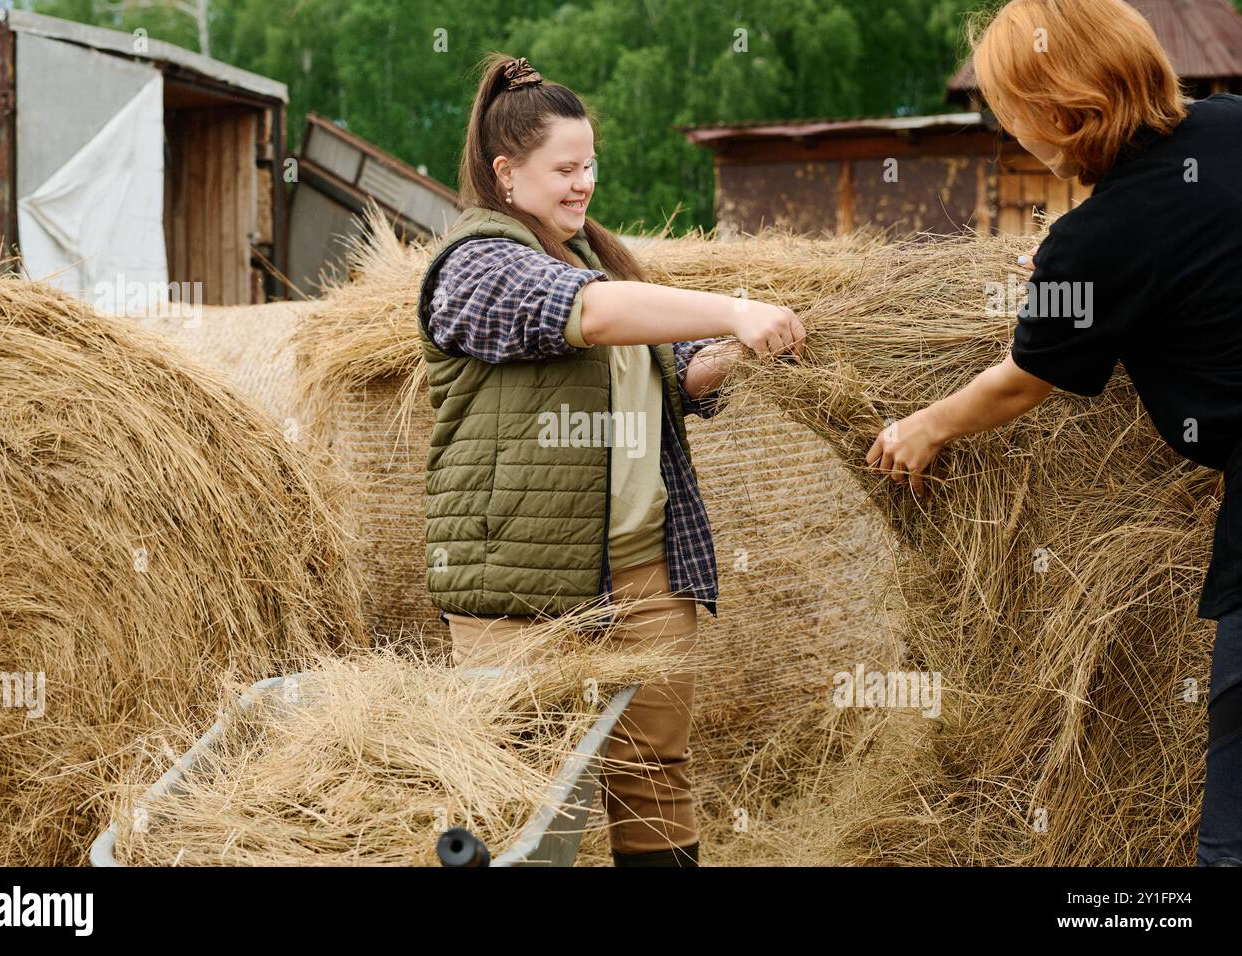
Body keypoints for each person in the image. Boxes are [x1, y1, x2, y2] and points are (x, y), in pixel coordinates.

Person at [865, 0, 1242, 865]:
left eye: (1007, 106)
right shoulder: (1230, 126)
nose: (1004, 126)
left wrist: (923, 426)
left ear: (1057, 108)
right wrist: (1078, 267)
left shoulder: (1102, 233)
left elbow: (1027, 378)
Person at [415, 53, 805, 866]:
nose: (583, 181)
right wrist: (737, 305)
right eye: (564, 167)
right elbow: (588, 318)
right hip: (525, 583)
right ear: (506, 173)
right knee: (508, 787)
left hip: (645, 572)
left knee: (654, 773)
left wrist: (762, 339)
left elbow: (685, 370)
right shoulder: (475, 266)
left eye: (589, 164)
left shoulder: (594, 261)